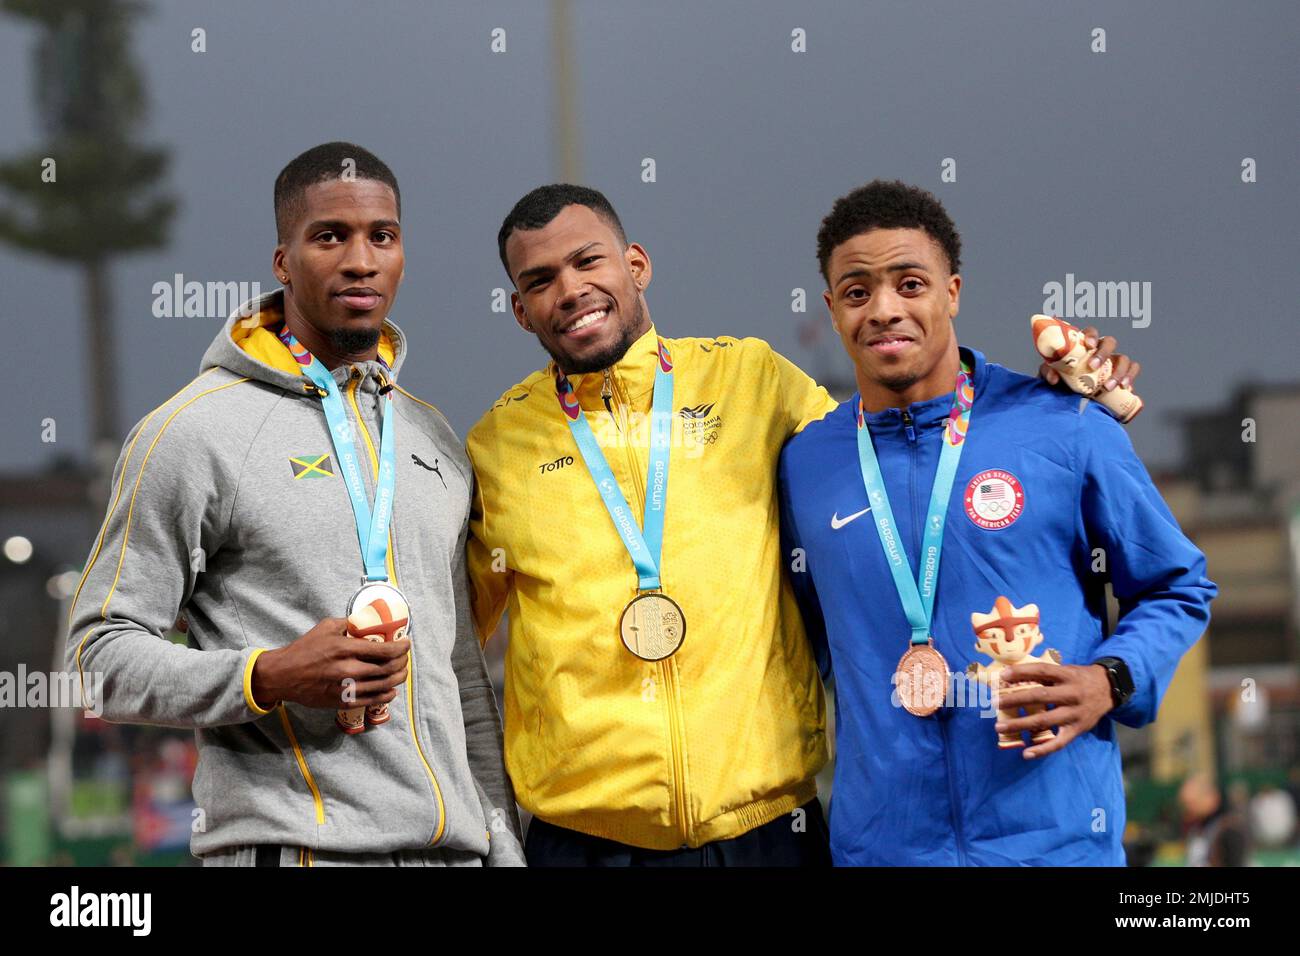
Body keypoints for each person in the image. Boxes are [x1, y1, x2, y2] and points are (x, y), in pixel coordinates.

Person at [465, 183, 1139, 866]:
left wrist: (1038, 408)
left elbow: (902, 447)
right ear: (520, 310)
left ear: (635, 264)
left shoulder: (752, 381)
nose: (571, 289)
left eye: (588, 262)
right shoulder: (496, 449)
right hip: (583, 848)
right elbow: (453, 646)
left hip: (769, 836)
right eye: (541, 281)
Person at [65, 142, 524, 867]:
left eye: (383, 236)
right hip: (294, 851)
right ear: (283, 262)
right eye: (329, 236)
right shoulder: (193, 432)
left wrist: (500, 839)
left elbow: (460, 669)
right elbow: (99, 660)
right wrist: (266, 675)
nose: (361, 260)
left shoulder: (430, 436)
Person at [777, 179, 1216, 865]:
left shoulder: (1062, 425)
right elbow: (811, 638)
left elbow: (1179, 585)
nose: (885, 310)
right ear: (833, 309)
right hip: (884, 852)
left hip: (1055, 846)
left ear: (952, 291)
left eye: (911, 284)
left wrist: (1109, 680)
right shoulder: (807, 465)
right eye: (858, 292)